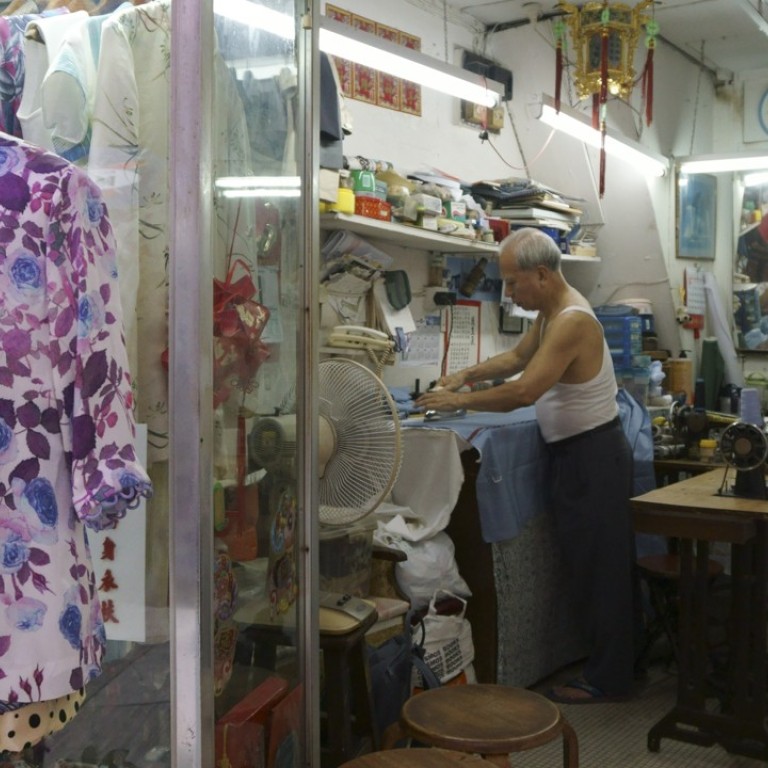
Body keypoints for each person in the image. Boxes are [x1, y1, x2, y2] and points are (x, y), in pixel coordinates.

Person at [415, 227, 637, 703]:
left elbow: (523, 390)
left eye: (514, 283)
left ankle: (610, 679)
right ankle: (604, 666)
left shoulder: (571, 320)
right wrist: (465, 375)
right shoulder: (552, 311)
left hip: (592, 456)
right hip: (574, 454)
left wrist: (456, 399)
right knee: (584, 564)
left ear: (541, 274)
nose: (510, 293)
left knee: (603, 568)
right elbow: (517, 357)